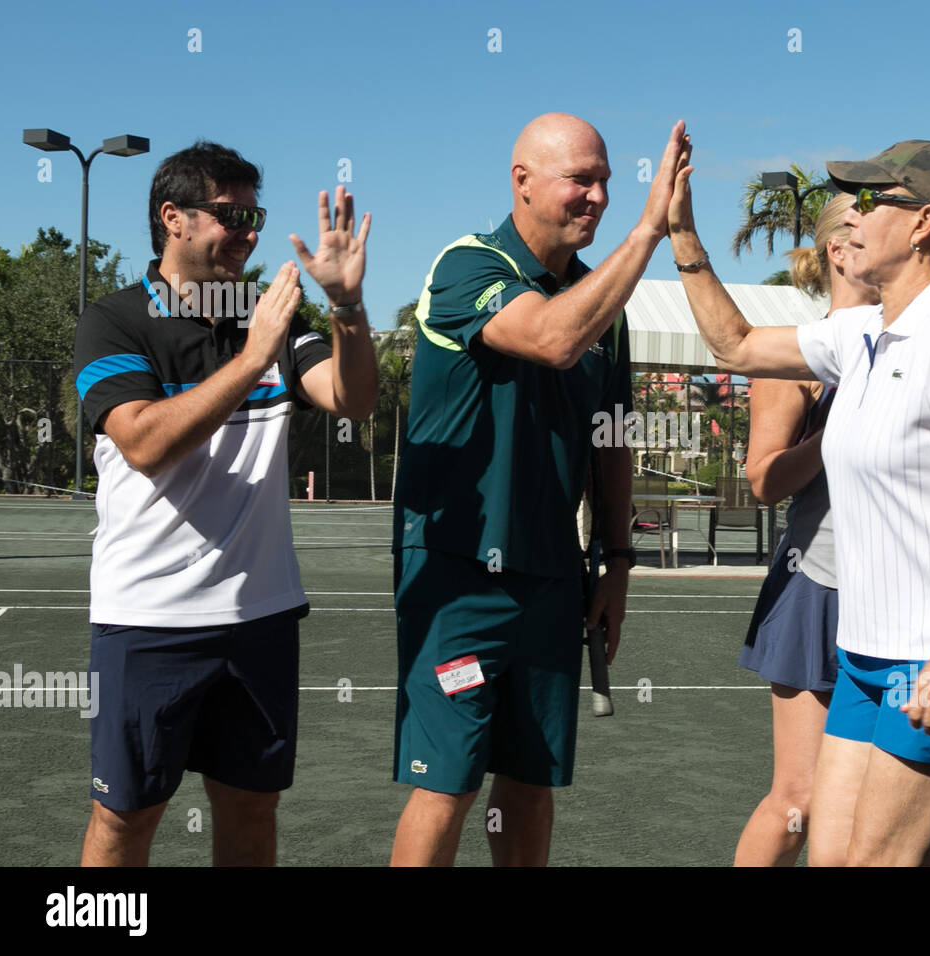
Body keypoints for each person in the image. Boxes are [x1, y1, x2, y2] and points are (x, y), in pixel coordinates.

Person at [668, 136, 930, 866]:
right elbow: (736, 345)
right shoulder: (862, 333)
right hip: (868, 655)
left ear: (923, 222)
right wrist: (682, 235)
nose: (851, 219)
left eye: (872, 201)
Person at [389, 114, 687, 867]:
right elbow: (552, 337)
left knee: (530, 785)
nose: (597, 197)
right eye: (579, 180)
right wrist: (650, 232)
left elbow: (612, 440)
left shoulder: (601, 303)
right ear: (520, 181)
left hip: (555, 577)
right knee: (447, 784)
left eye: (607, 183)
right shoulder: (467, 265)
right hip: (459, 580)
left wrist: (617, 563)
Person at [72, 141, 377, 866]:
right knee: (125, 818)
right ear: (172, 218)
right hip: (148, 620)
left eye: (254, 216)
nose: (247, 232)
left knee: (250, 812)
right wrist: (252, 358)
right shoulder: (114, 321)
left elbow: (354, 399)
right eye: (229, 215)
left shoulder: (266, 316)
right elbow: (144, 442)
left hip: (259, 617)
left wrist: (346, 304)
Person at [734, 193, 880, 866]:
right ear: (840, 250)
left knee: (875, 805)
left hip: (896, 590)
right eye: (867, 218)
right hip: (814, 589)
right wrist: (834, 429)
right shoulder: (794, 357)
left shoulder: (922, 343)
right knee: (801, 800)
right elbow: (762, 481)